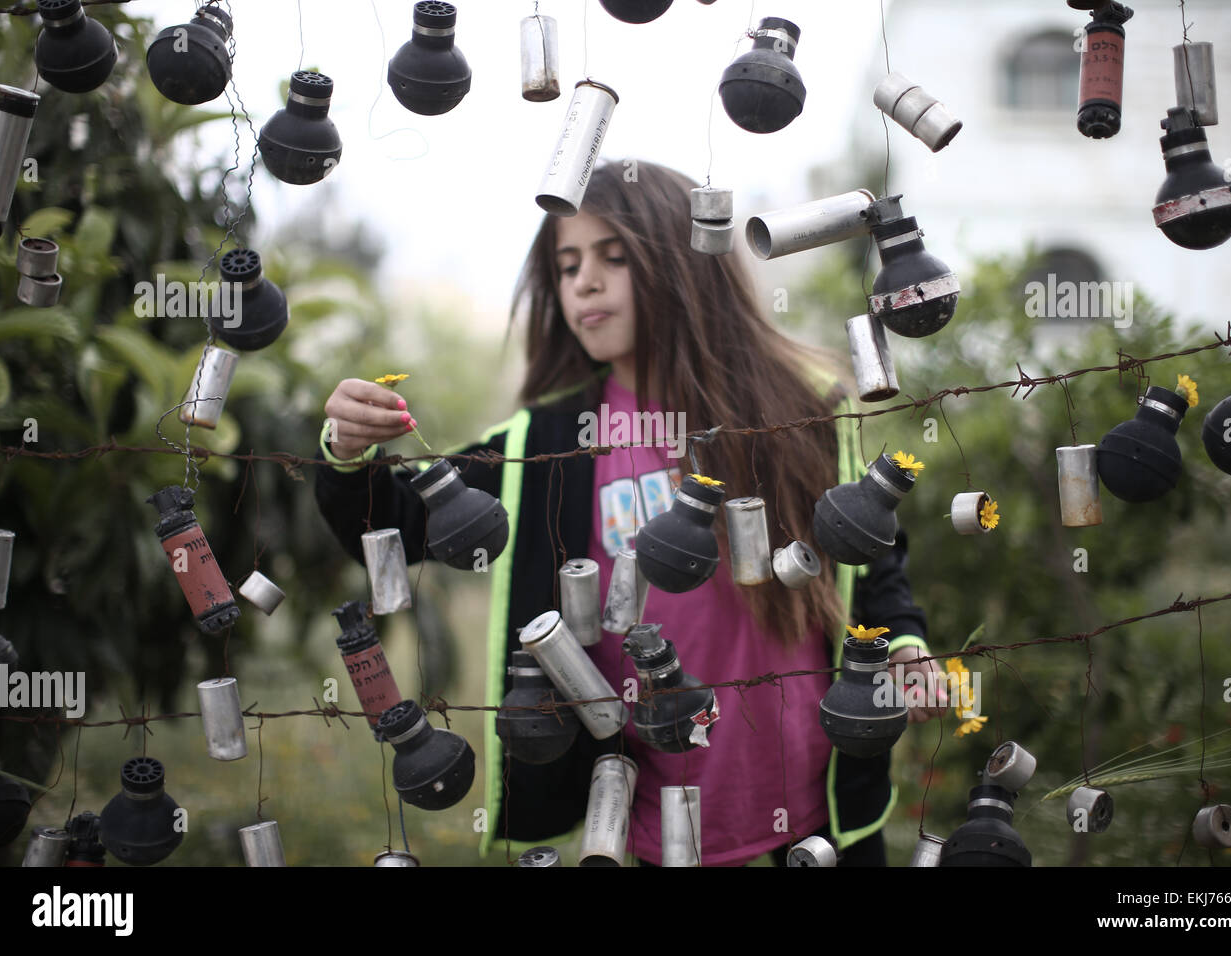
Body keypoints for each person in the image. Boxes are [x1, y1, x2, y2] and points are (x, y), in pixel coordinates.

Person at [313, 159, 943, 866]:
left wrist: (905, 645)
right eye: (567, 263)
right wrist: (344, 450)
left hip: (816, 805)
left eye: (614, 257)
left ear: (684, 266)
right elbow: (391, 528)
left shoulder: (798, 413)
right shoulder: (546, 444)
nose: (584, 281)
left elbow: (872, 557)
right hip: (646, 811)